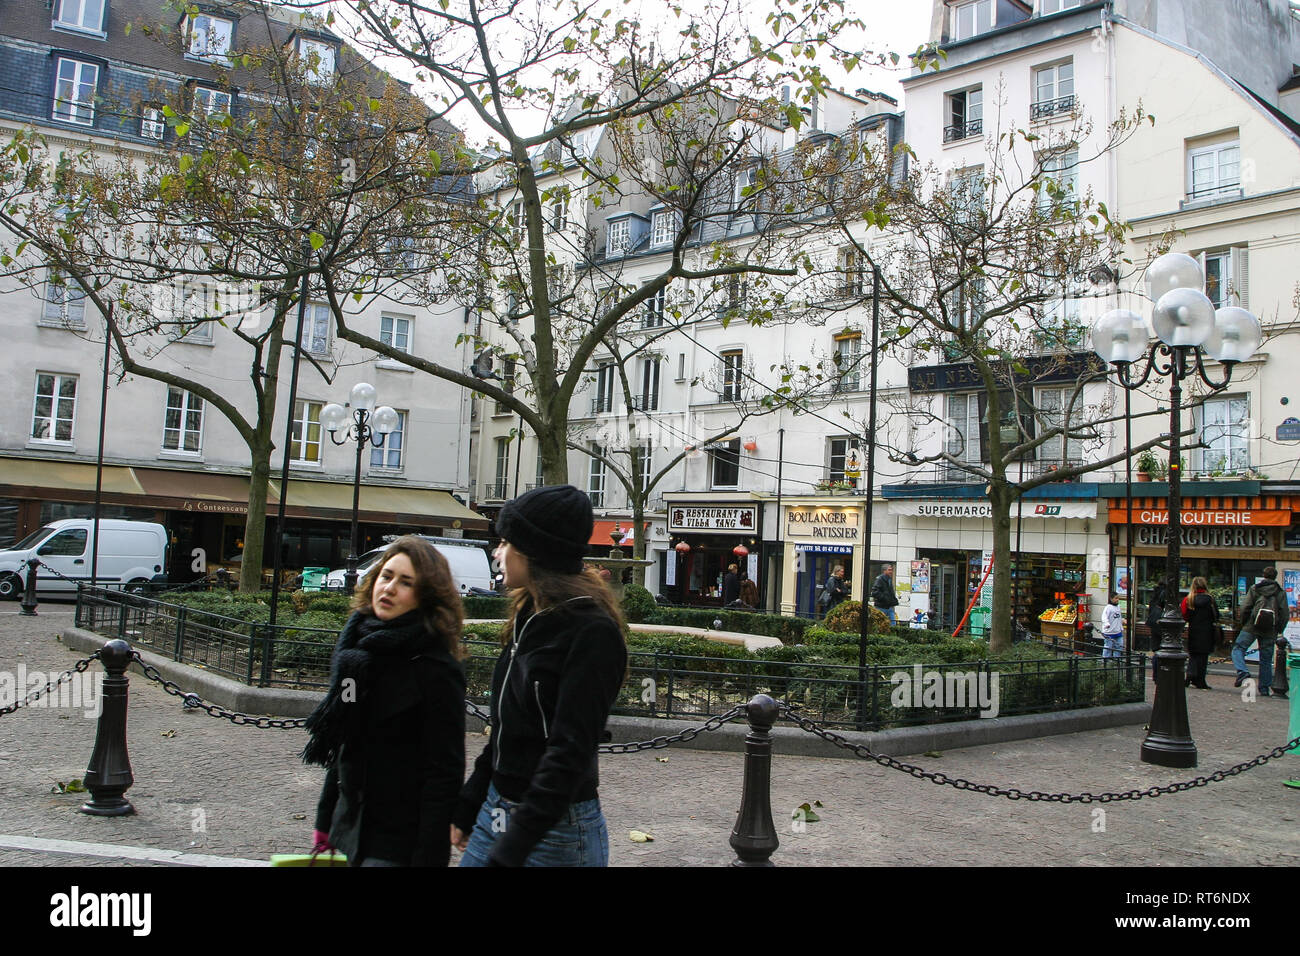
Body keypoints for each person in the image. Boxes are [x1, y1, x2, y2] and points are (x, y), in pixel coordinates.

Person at [452, 485, 627, 866]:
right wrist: (469, 804)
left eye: (505, 542)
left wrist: (513, 848)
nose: (498, 552)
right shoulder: (528, 615)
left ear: (534, 553)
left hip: (556, 833)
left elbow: (570, 753)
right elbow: (506, 731)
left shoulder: (591, 632)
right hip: (496, 813)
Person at [302, 536, 466, 867]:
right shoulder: (354, 652)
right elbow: (341, 738)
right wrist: (324, 822)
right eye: (386, 576)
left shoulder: (436, 669)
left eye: (406, 583)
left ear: (426, 596)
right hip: (345, 831)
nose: (389, 588)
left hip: (395, 842)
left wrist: (428, 857)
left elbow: (444, 773)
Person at [1233, 566, 1288, 695]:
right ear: (1275, 576)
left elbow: (1245, 607)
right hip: (1270, 629)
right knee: (1266, 659)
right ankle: (1264, 689)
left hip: (1251, 626)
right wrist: (1279, 629)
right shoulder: (1280, 592)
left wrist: (1244, 623)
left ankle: (1242, 671)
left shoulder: (1255, 589)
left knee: (1238, 648)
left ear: (1263, 575)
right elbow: (1285, 614)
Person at [1179, 576, 1217, 689]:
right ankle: (1200, 679)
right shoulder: (1210, 599)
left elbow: (1184, 615)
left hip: (1194, 630)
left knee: (1194, 655)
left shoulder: (1189, 599)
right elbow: (1216, 615)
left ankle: (1190, 675)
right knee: (1203, 657)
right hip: (1207, 630)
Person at [1100, 593, 1124, 659]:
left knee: (1119, 646)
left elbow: (1118, 617)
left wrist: (1122, 622)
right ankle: (1105, 661)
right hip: (1109, 632)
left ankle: (1117, 661)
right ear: (1111, 599)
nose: (1117, 600)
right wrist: (1107, 624)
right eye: (1116, 598)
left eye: (1118, 598)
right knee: (1108, 648)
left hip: (1118, 631)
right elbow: (1104, 617)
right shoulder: (1108, 608)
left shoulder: (1118, 607)